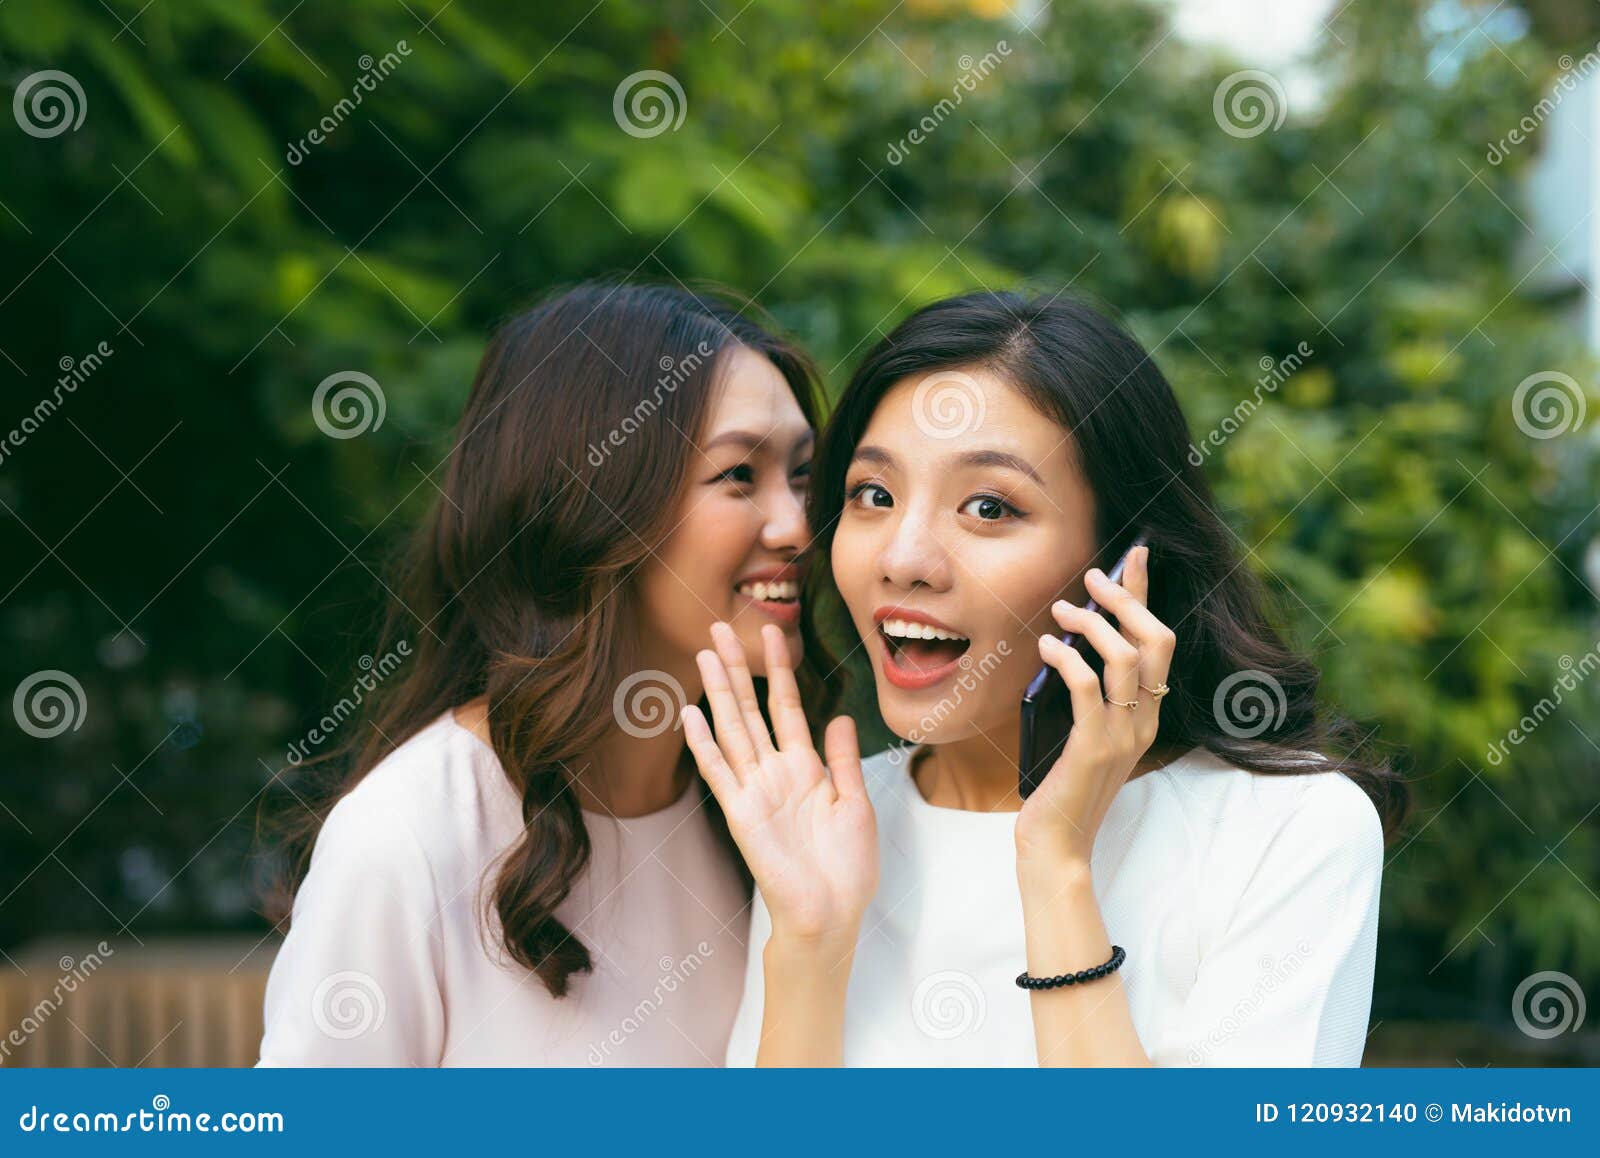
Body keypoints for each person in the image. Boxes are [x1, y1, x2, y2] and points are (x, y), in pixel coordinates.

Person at [682, 290, 1411, 1066]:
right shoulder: (827, 825)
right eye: (875, 495)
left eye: (989, 507)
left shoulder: (1287, 830)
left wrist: (1058, 865)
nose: (902, 558)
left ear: (1125, 565)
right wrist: (810, 946)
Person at [257, 282, 823, 1065]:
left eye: (802, 475)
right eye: (738, 476)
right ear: (591, 502)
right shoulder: (409, 839)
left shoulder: (780, 819)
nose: (798, 525)